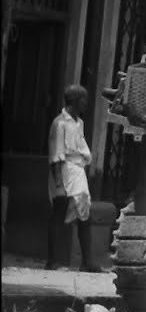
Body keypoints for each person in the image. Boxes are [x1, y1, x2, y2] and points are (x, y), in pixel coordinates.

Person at [47, 85, 99, 272]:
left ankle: (87, 262)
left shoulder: (79, 123)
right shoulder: (59, 123)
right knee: (59, 214)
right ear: (75, 101)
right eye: (83, 99)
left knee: (85, 215)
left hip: (78, 172)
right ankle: (53, 261)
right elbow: (56, 155)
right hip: (65, 171)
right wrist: (59, 184)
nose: (86, 103)